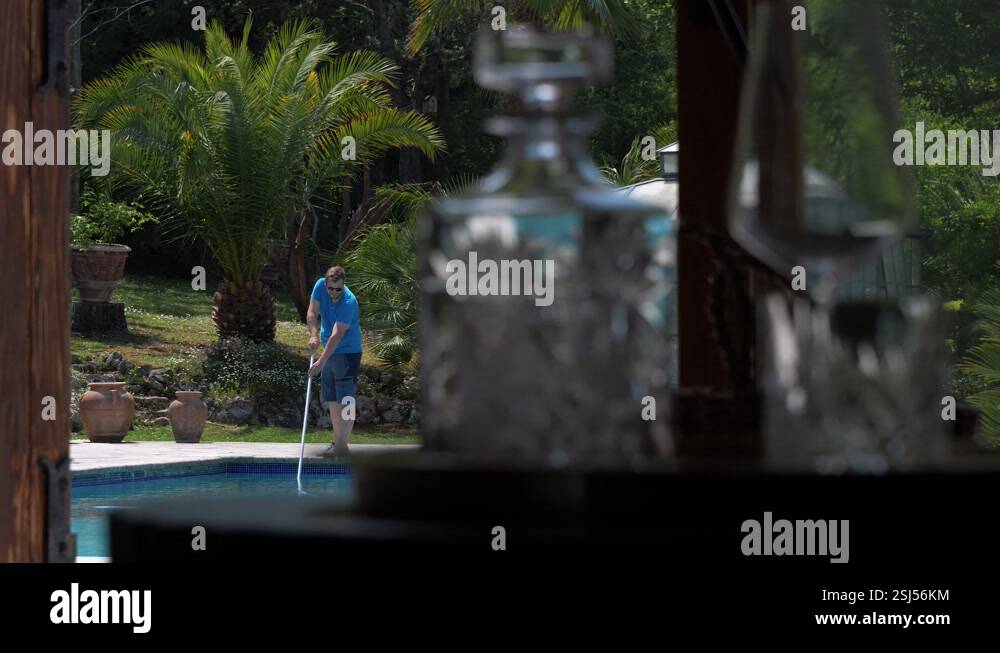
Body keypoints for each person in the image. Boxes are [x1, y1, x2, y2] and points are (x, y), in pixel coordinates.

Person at [306, 265, 362, 456]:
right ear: (326, 283)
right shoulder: (320, 286)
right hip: (329, 352)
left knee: (346, 400)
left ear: (344, 284)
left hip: (348, 352)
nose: (334, 292)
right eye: (331, 288)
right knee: (332, 400)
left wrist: (321, 362)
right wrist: (313, 335)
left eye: (338, 289)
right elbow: (312, 313)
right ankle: (338, 443)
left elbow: (336, 335)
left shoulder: (349, 301)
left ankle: (341, 445)